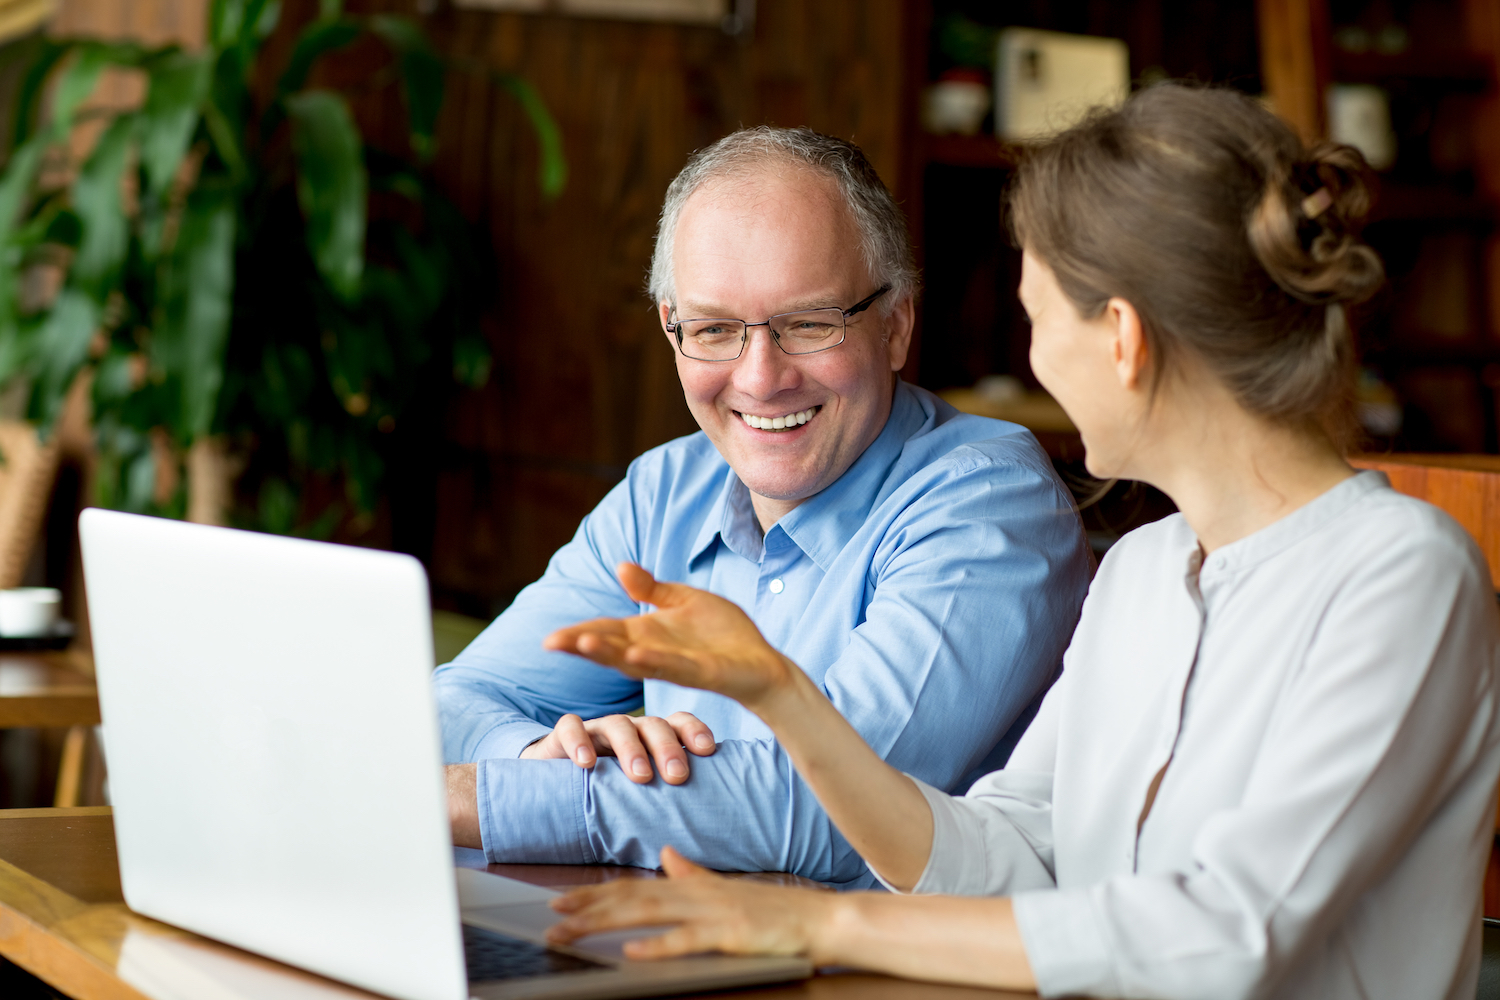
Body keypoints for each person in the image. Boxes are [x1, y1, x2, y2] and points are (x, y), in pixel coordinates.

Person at [540, 84, 1500, 999]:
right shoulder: (1144, 572)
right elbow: (1016, 849)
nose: (1032, 360)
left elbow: (1227, 933)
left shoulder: (1403, 574)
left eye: (1037, 319)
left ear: (1120, 338)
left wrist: (822, 926)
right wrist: (780, 693)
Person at [435, 127, 1093, 886]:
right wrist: (545, 759)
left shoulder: (990, 502)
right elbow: (458, 698)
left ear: (897, 324)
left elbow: (840, 807)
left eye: (808, 324)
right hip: (673, 945)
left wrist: (486, 799)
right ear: (671, 329)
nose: (759, 378)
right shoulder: (664, 493)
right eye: (715, 330)